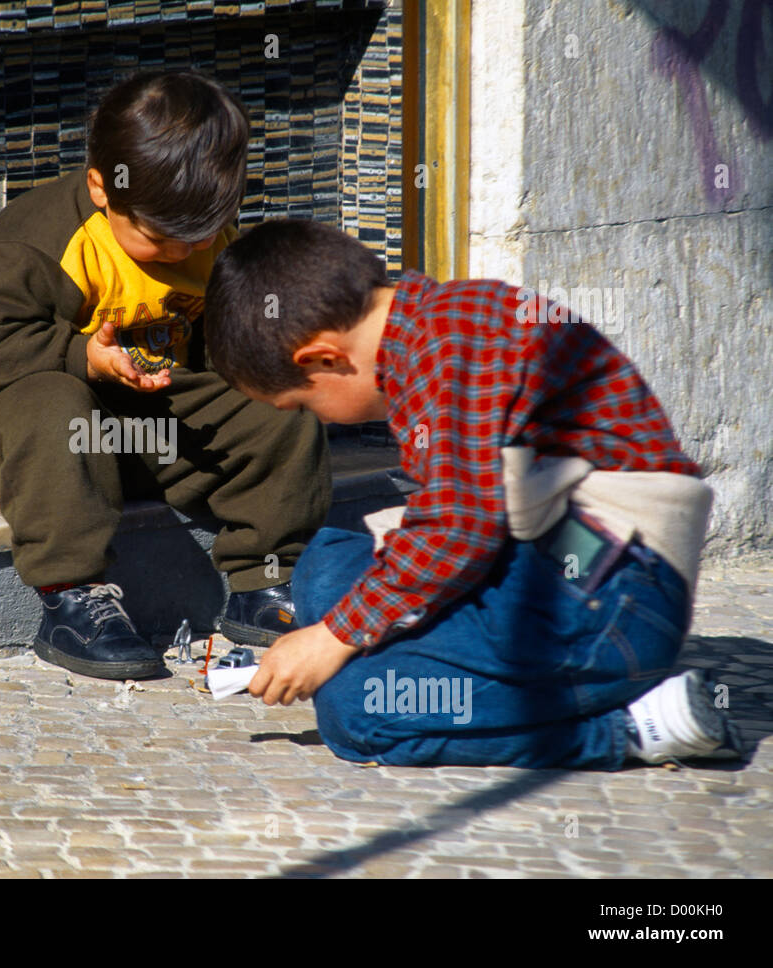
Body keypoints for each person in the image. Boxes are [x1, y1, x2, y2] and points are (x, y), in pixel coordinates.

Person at [201, 218, 743, 768]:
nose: (312, 420)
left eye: (302, 406)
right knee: (324, 563)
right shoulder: (436, 326)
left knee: (358, 706)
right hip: (550, 568)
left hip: (611, 600)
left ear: (324, 359)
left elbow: (459, 528)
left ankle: (636, 726)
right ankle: (433, 662)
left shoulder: (448, 347)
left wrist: (336, 637)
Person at [0, 72, 332, 681]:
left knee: (281, 406)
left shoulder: (206, 232)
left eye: (201, 233)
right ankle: (74, 599)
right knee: (59, 407)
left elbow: (220, 349)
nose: (186, 250)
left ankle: (265, 581)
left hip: (141, 417)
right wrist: (83, 358)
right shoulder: (41, 239)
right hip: (26, 417)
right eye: (161, 239)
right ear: (102, 188)